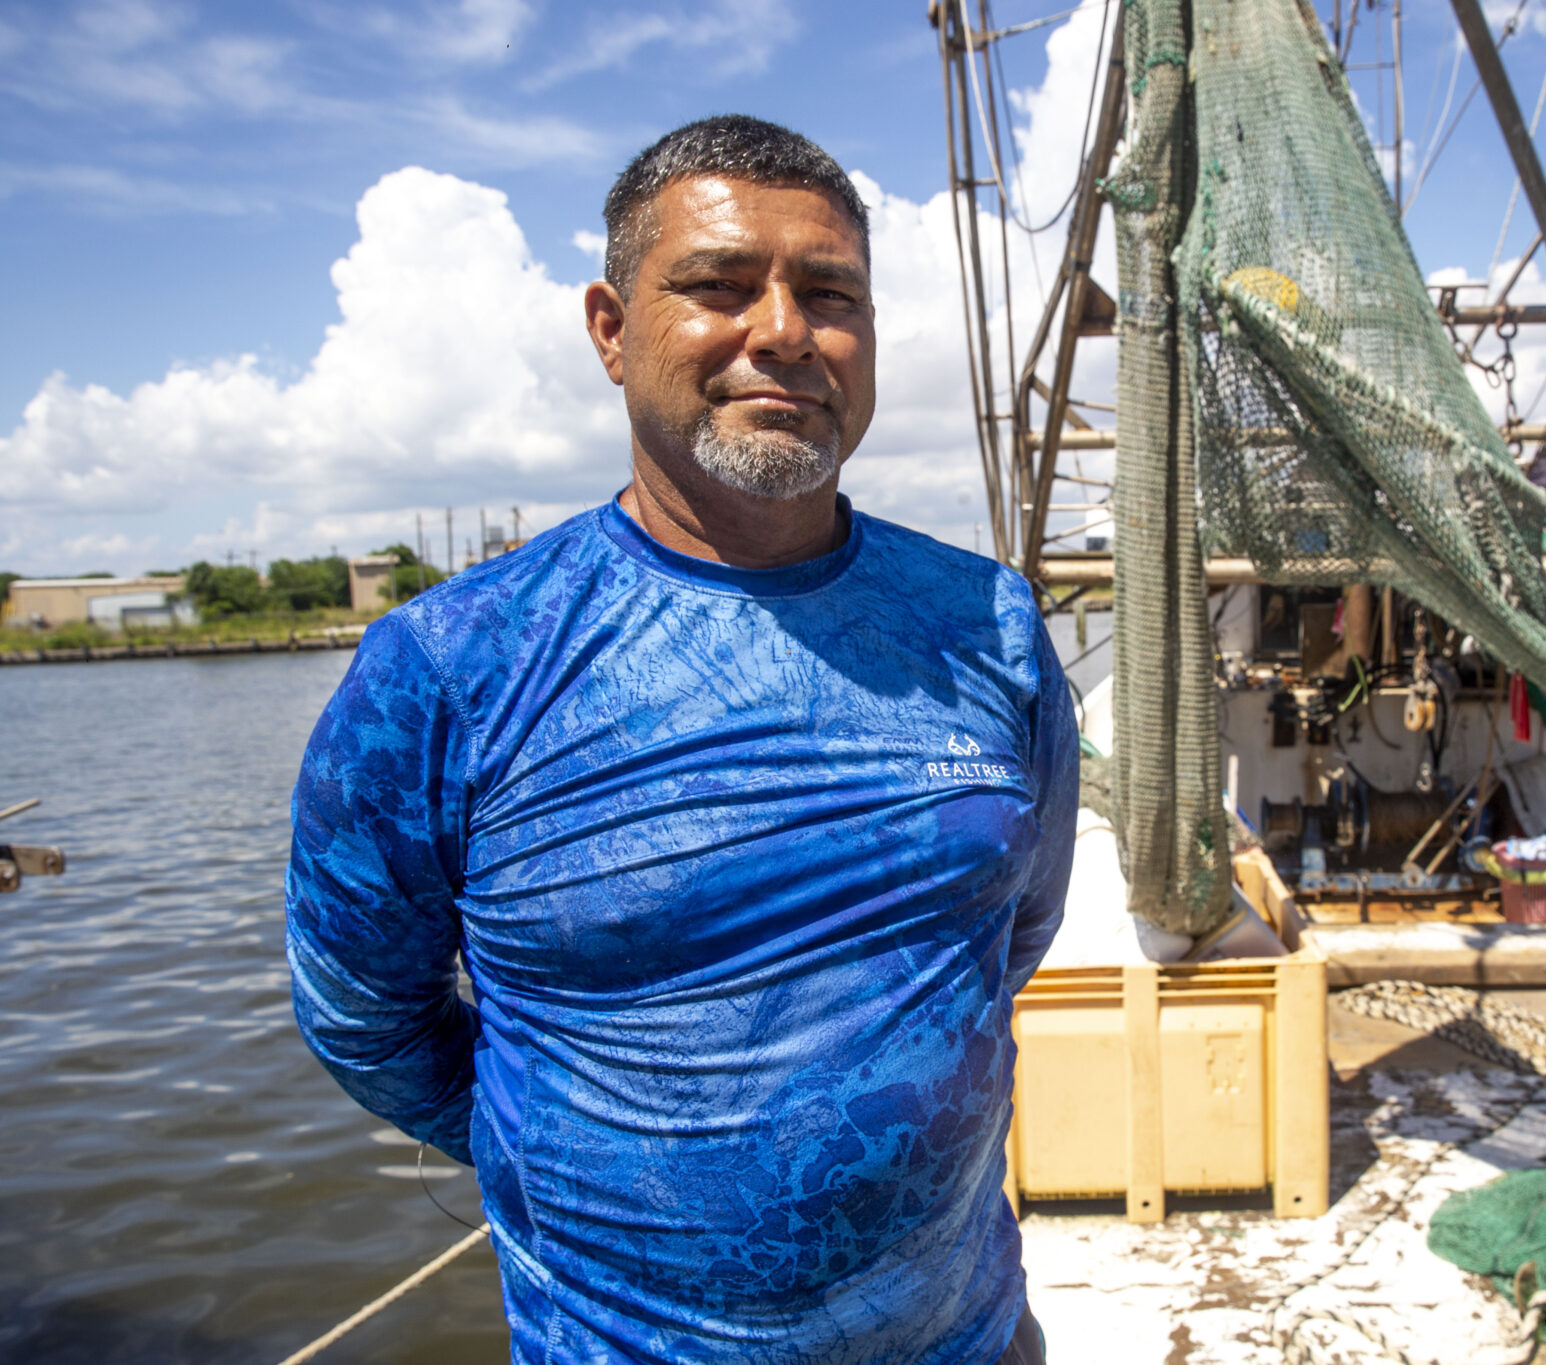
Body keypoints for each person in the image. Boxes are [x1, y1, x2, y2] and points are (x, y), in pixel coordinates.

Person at [286, 114, 1076, 1364]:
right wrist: (571, 1159)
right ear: (611, 330)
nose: (784, 331)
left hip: (969, 1338)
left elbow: (1009, 934)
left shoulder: (987, 623)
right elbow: (362, 1017)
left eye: (830, 294)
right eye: (718, 286)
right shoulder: (448, 667)